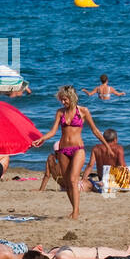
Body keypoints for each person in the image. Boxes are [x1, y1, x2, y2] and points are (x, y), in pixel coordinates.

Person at [31, 86, 107, 219]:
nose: (63, 102)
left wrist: (106, 145)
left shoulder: (83, 111)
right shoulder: (60, 112)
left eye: (65, 99)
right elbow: (53, 131)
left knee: (73, 179)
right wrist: (42, 138)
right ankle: (74, 210)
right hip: (63, 150)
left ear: (71, 98)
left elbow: (95, 130)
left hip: (78, 149)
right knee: (67, 182)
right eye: (61, 100)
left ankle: (76, 212)